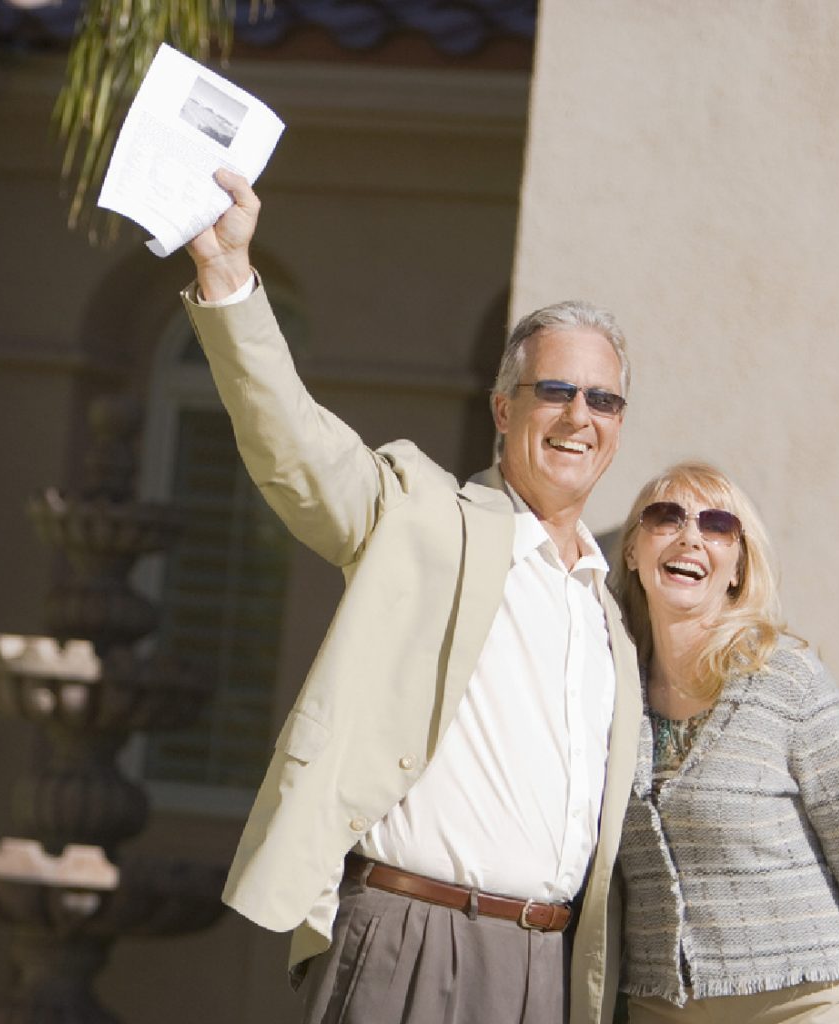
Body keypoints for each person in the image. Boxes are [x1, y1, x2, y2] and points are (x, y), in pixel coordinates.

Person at [180, 169, 641, 1024]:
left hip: (548, 970)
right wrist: (229, 278)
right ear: (504, 411)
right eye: (556, 391)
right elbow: (297, 447)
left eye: (604, 399)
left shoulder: (609, 611)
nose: (581, 414)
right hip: (412, 937)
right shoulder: (425, 517)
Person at [611, 462, 839, 1024]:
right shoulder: (610, 688)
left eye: (717, 525)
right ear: (632, 552)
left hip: (803, 1001)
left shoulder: (788, 681)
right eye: (666, 517)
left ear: (738, 567)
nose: (690, 535)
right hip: (661, 1005)